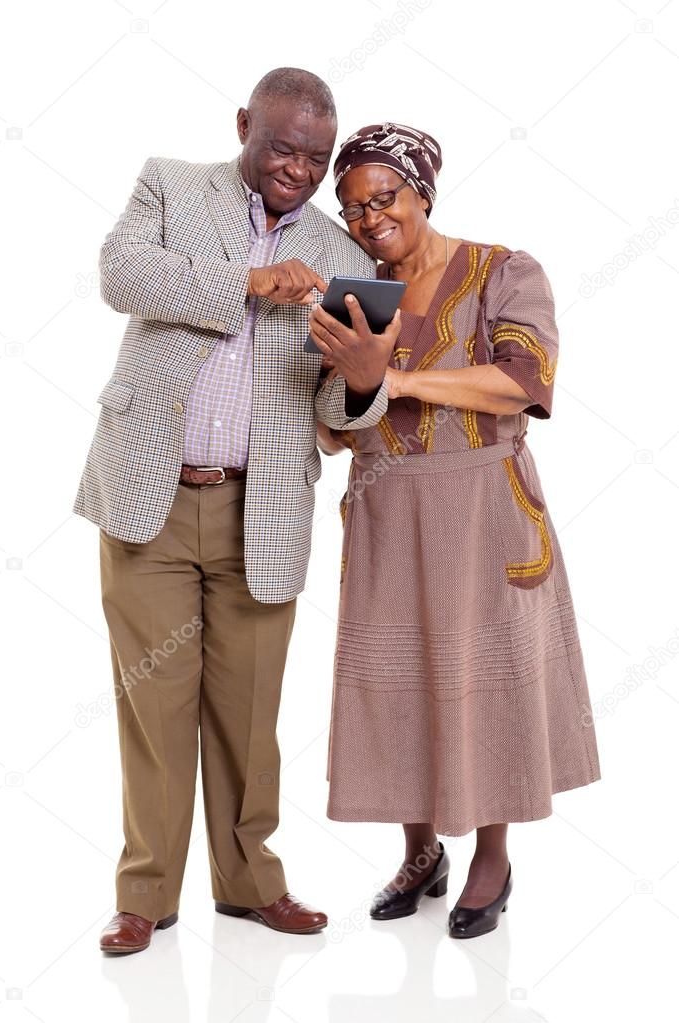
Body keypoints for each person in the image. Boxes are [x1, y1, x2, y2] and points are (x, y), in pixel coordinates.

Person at [73, 72, 396, 955]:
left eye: (315, 159)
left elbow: (335, 414)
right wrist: (251, 281)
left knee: (250, 714)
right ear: (245, 126)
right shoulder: (173, 185)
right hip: (152, 496)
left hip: (266, 506)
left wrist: (364, 379)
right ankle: (145, 894)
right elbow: (122, 273)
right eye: (282, 148)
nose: (297, 169)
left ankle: (251, 883)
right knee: (155, 704)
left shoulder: (347, 258)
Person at [309, 122, 601, 939]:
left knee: (487, 677)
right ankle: (419, 850)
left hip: (485, 509)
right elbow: (332, 428)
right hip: (386, 505)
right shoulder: (358, 293)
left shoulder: (505, 270)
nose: (369, 219)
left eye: (384, 197)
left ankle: (492, 858)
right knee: (397, 681)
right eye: (353, 206)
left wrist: (394, 375)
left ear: (422, 191)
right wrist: (356, 388)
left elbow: (521, 381)